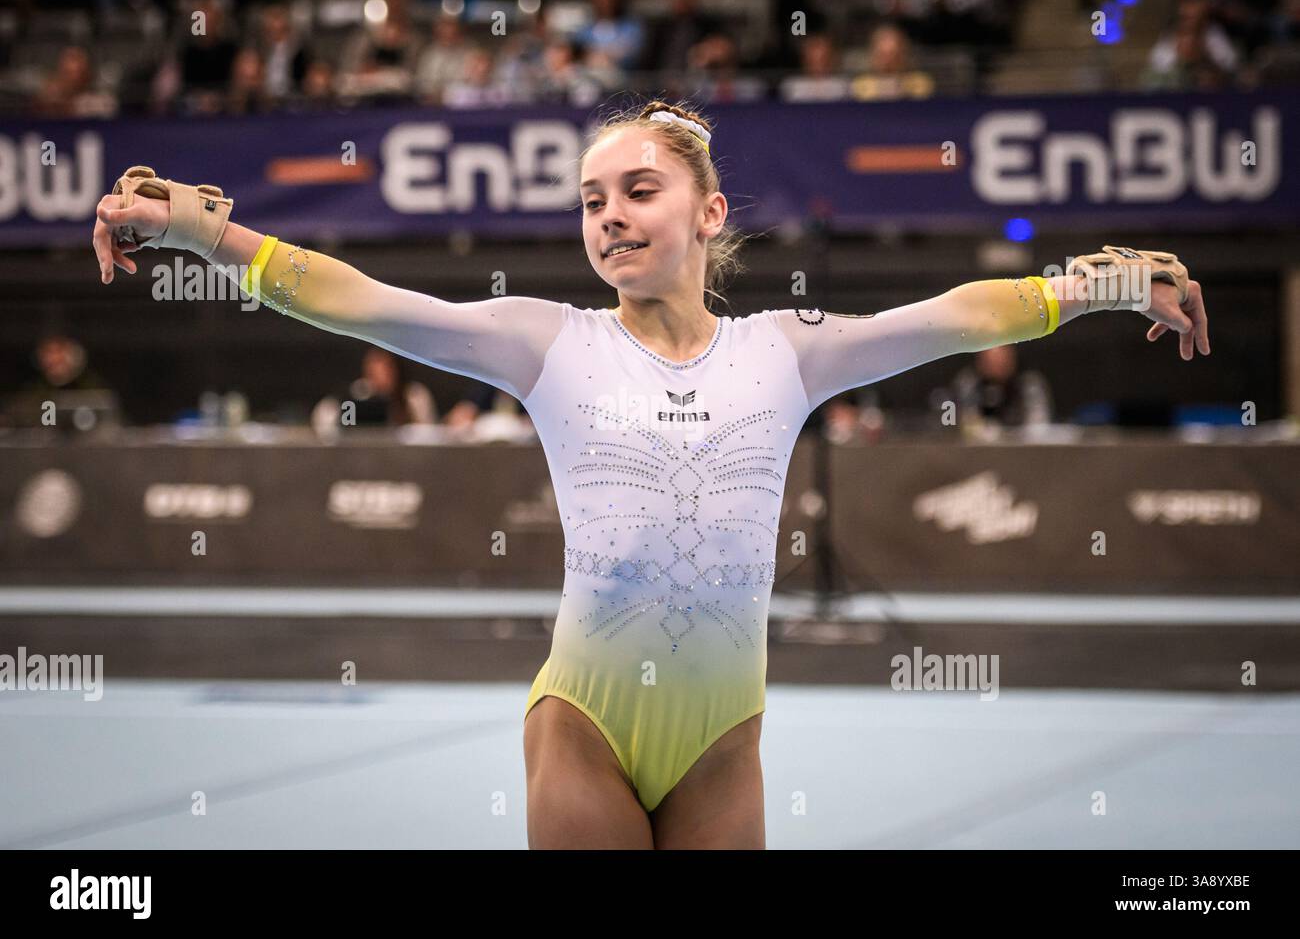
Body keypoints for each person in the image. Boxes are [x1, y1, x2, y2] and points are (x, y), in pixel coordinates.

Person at [90, 101, 1210, 849]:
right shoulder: (545, 341)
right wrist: (198, 229)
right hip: (585, 723)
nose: (610, 217)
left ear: (708, 212)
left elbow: (956, 316)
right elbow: (360, 300)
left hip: (727, 740)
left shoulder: (788, 348)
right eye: (590, 200)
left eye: (637, 191)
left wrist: (1107, 285)